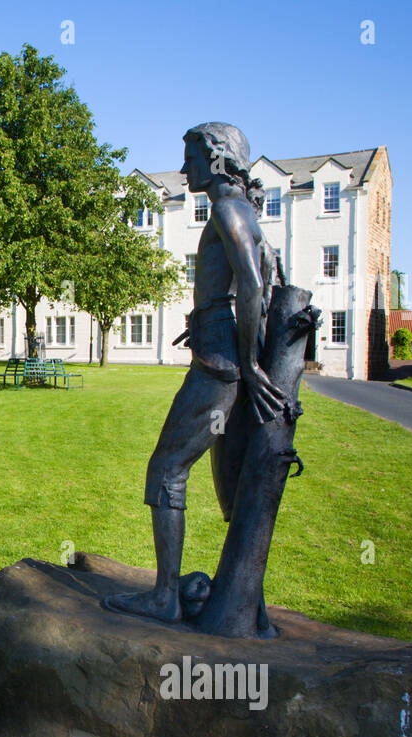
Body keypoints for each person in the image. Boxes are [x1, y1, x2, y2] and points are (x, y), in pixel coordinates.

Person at [106, 123, 286, 624]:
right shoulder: (244, 212)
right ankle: (251, 608)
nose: (185, 169)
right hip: (224, 354)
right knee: (233, 489)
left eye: (190, 158)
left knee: (166, 469)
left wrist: (246, 363)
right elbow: (250, 289)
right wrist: (211, 323)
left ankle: (165, 596)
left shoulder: (228, 210)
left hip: (220, 366)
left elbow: (251, 286)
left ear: (216, 157)